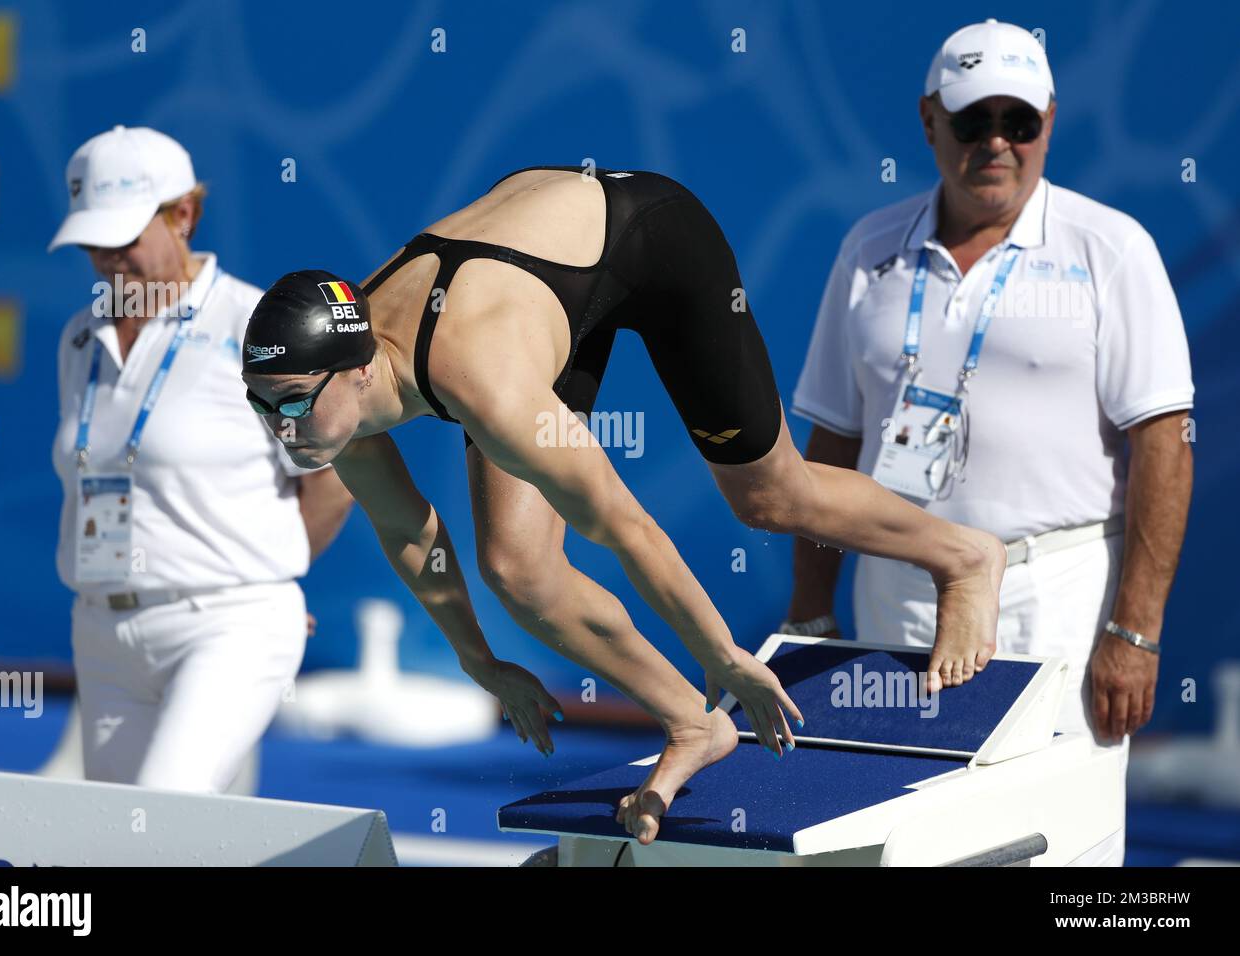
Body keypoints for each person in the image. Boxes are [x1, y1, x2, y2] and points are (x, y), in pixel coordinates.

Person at [241, 163, 1006, 843]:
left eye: (294, 404)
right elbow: (407, 528)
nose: (282, 428)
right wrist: (483, 663)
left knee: (770, 497)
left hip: (648, 241)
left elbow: (625, 527)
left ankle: (963, 556)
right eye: (261, 405)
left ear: (361, 371)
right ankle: (692, 723)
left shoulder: (488, 386)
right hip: (523, 279)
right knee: (518, 569)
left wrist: (722, 654)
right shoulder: (341, 399)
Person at [785, 21, 1194, 866]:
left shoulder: (1110, 250)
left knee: (1060, 846)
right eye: (973, 123)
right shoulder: (868, 250)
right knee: (894, 834)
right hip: (895, 593)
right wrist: (811, 610)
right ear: (930, 121)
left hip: (1056, 599)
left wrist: (1137, 632)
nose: (997, 144)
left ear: (1050, 117)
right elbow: (833, 440)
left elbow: (1164, 442)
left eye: (1019, 122)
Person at [49, 125, 354, 793]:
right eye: (91, 240)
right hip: (102, 635)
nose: (106, 258)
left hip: (226, 630)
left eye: (123, 236)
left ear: (183, 214)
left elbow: (334, 475)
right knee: (116, 840)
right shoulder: (79, 337)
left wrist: (263, 576)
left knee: (162, 814)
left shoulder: (257, 328)